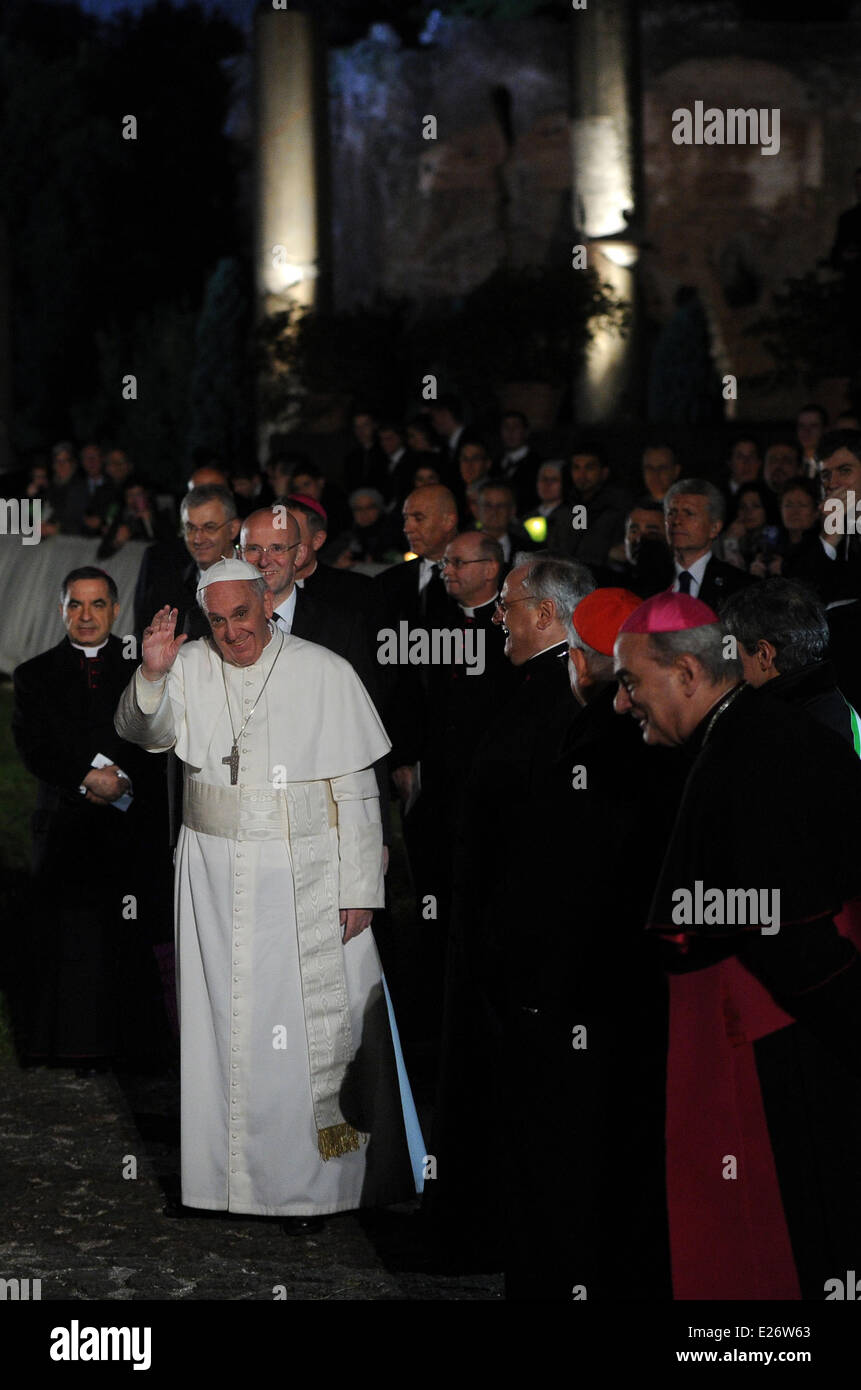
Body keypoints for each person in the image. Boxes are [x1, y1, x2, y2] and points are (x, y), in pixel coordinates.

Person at [115, 559, 416, 1224]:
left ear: (267, 606)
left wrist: (360, 886)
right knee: (222, 1029)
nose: (231, 633)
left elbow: (359, 792)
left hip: (302, 874)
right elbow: (145, 734)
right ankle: (228, 1184)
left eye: (241, 616)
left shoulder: (324, 671)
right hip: (211, 876)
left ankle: (314, 1190)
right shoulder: (190, 663)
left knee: (304, 1034)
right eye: (217, 620)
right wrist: (154, 672)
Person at [613, 591, 861, 1299]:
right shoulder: (744, 732)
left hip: (778, 1041)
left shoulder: (750, 752)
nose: (622, 705)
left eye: (632, 684)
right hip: (763, 1028)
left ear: (688, 675)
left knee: (780, 1237)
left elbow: (789, 932)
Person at [502, 587, 682, 1300]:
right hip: (635, 992)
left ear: (583, 659)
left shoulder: (593, 743)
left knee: (577, 1163)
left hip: (580, 992)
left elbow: (556, 881)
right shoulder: (666, 742)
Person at [429, 554, 594, 1266]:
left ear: (547, 615)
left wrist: (501, 938)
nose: (496, 616)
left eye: (508, 605)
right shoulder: (529, 685)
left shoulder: (562, 697)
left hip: (518, 943)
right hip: (494, 929)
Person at [12, 568, 170, 1073]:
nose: (86, 616)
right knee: (66, 939)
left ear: (115, 609)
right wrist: (86, 778)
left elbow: (160, 733)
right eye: (75, 605)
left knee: (128, 937)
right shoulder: (34, 674)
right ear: (61, 610)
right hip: (64, 823)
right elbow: (35, 748)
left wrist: (123, 780)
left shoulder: (140, 663)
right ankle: (67, 1047)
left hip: (130, 827)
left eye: (97, 604)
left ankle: (133, 1048)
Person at [720, 577, 856, 746]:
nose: (727, 664)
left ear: (764, 655)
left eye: (732, 652)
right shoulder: (833, 707)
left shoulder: (781, 731)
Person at [133, 484, 240, 643]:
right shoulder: (164, 586)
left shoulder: (259, 579)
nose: (198, 538)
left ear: (233, 529)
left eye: (209, 527)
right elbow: (141, 641)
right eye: (190, 528)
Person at [663, 477, 752, 606]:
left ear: (714, 527)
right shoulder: (652, 578)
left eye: (689, 513)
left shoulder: (739, 587)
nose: (676, 521)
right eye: (672, 513)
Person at [547, 444, 631, 567]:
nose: (581, 475)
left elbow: (620, 554)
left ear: (604, 472)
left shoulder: (619, 508)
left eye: (589, 468)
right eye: (576, 468)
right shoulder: (565, 509)